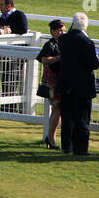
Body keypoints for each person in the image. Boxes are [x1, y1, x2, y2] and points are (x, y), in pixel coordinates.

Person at [56, 12, 99, 156]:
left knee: (67, 118)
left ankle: (66, 146)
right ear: (85, 26)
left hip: (66, 84)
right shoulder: (86, 42)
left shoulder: (63, 40)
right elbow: (93, 64)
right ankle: (81, 148)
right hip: (82, 86)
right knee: (82, 118)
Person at [38, 19, 65, 148]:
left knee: (57, 109)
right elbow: (44, 60)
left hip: (59, 81)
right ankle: (51, 138)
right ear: (52, 31)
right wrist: (58, 58)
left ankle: (50, 138)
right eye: (59, 30)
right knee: (57, 109)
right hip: (51, 82)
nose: (62, 33)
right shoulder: (50, 45)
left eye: (63, 30)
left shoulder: (63, 43)